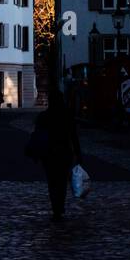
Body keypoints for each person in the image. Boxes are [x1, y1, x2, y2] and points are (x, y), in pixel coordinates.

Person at [33, 90, 82, 222]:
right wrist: (78, 153)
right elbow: (73, 135)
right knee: (61, 181)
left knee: (52, 181)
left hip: (48, 152)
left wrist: (36, 152)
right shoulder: (66, 115)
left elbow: (37, 136)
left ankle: (56, 206)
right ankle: (59, 205)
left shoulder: (43, 116)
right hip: (64, 151)